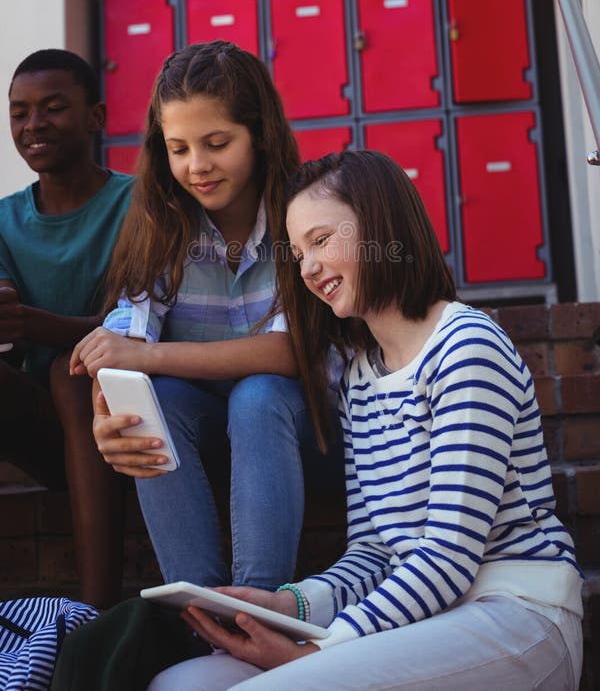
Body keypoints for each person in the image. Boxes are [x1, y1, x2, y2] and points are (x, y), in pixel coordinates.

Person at [148, 149, 583, 691]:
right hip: (420, 617)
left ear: (380, 227)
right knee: (182, 685)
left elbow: (447, 557)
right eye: (298, 251)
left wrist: (321, 648)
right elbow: (376, 551)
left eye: (322, 241)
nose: (306, 268)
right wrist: (289, 603)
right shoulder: (360, 378)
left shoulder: (466, 348)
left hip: (516, 613)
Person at [70, 41, 342, 592]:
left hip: (313, 436)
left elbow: (288, 352)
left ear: (259, 135)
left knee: (259, 393)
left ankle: (257, 603)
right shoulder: (162, 225)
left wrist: (145, 356)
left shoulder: (303, 214)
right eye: (178, 148)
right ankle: (199, 614)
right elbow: (128, 336)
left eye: (217, 143)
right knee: (157, 403)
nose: (197, 166)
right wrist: (110, 405)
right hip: (209, 441)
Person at [0, 48, 133, 609]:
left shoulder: (140, 203)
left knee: (72, 371)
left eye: (53, 108)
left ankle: (96, 614)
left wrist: (37, 325)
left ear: (95, 117)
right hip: (45, 441)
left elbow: (143, 324)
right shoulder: (5, 217)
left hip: (128, 425)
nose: (33, 126)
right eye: (19, 112)